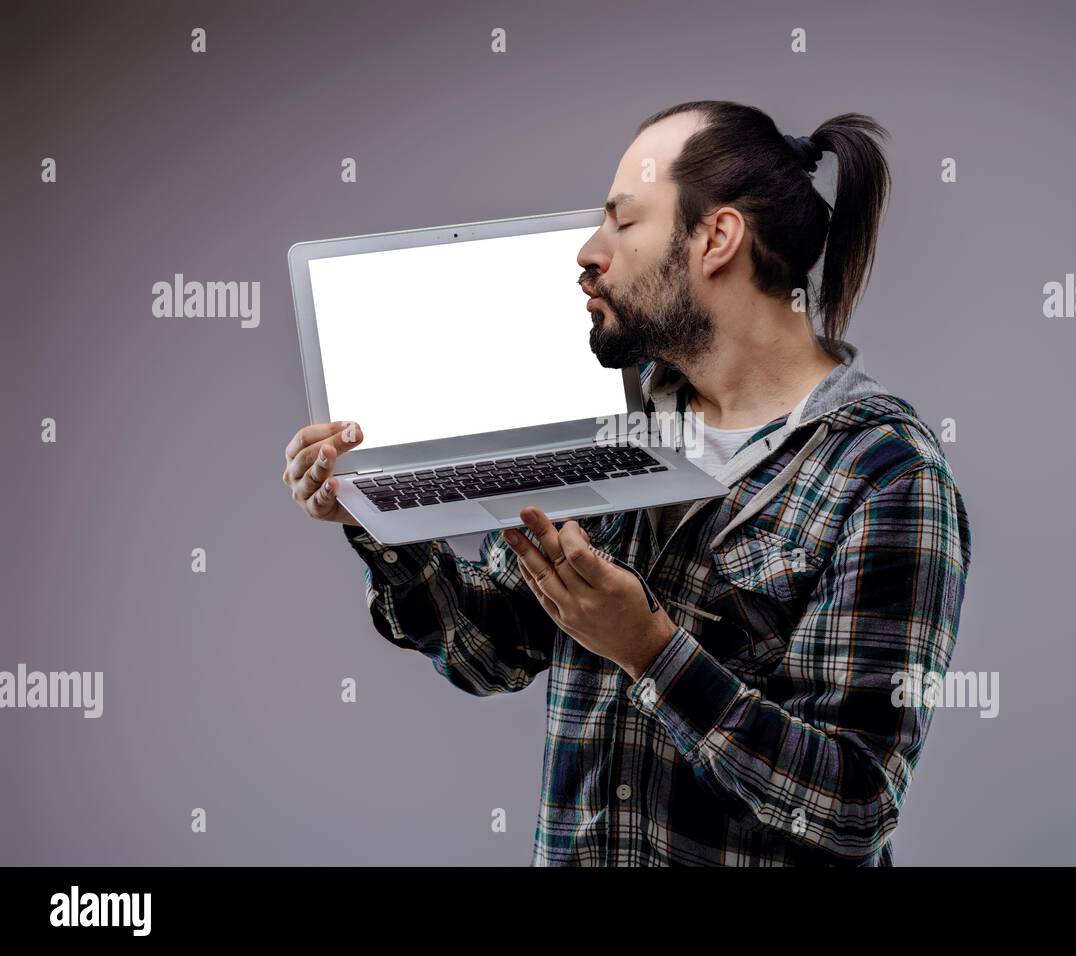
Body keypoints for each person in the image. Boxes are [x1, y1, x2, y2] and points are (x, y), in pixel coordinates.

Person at [281, 100, 972, 866]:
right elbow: (489, 650)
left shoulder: (884, 475)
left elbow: (854, 805)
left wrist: (648, 650)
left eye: (622, 223)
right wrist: (374, 517)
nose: (586, 250)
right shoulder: (617, 425)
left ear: (717, 238)